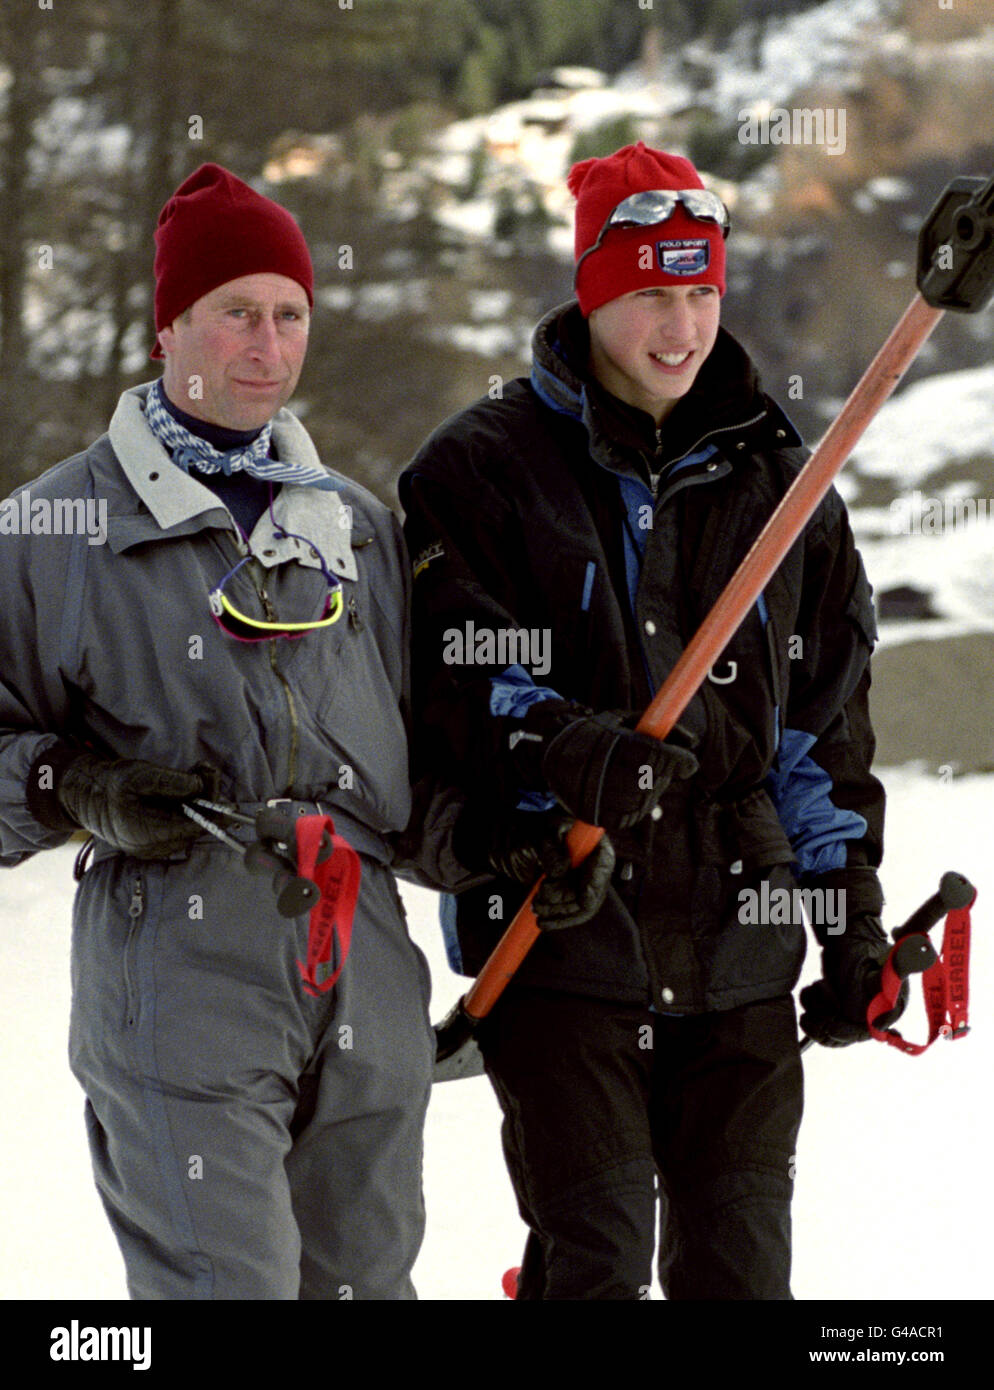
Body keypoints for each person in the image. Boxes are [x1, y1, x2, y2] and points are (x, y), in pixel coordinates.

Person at [400, 143, 902, 1300]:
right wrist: (571, 753)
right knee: (600, 1258)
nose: (679, 327)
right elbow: (452, 667)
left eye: (698, 292)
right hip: (563, 923)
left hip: (739, 944)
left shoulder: (784, 477)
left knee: (741, 1272)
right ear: (590, 294)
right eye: (646, 295)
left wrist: (847, 914)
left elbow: (818, 727)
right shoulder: (478, 469)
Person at [0, 163, 441, 1300]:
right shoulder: (56, 527)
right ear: (169, 328)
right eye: (236, 313)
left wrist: (508, 843)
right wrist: (68, 783)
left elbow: (419, 757)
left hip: (359, 948)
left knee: (365, 1287)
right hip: (179, 949)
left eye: (289, 314)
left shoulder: (357, 526)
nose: (267, 343)